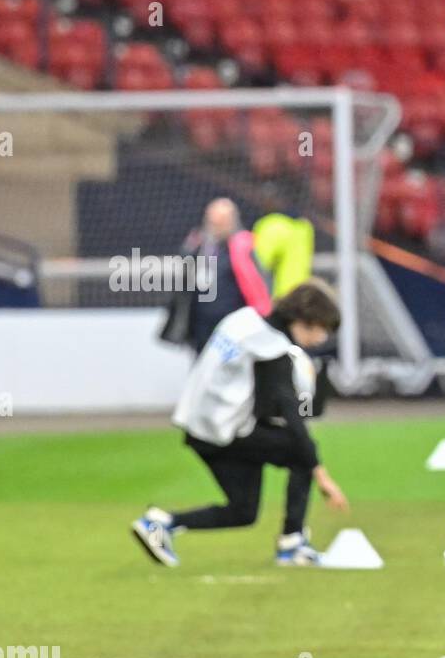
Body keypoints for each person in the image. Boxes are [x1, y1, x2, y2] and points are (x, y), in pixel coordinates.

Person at [132, 280, 349, 568]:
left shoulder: (243, 320)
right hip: (224, 432)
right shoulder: (272, 349)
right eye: (323, 329)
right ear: (305, 321)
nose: (321, 339)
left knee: (243, 511)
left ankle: (159, 523)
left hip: (198, 424)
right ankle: (292, 545)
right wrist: (321, 474)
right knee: (302, 452)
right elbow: (290, 411)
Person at [160, 198, 273, 354]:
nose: (217, 225)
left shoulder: (242, 246)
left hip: (232, 323)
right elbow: (185, 278)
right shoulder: (200, 244)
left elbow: (257, 283)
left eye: (222, 221)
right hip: (200, 323)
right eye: (213, 220)